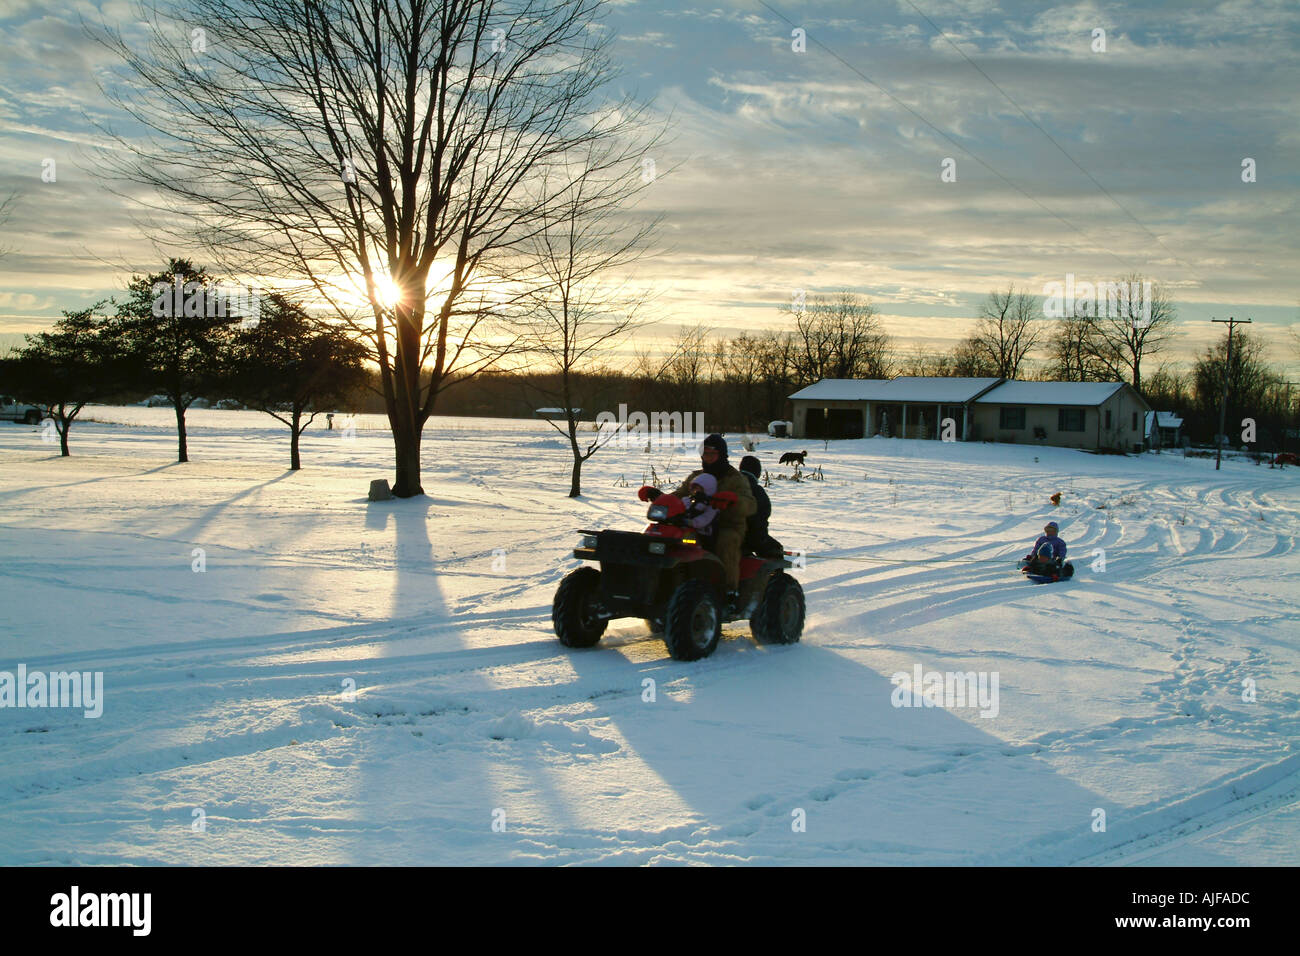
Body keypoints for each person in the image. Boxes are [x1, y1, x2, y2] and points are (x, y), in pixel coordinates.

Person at [641, 433, 755, 608]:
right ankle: (655, 583)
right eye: (705, 454)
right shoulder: (696, 477)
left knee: (726, 543)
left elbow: (750, 505)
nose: (707, 458)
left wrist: (733, 500)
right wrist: (658, 497)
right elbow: (679, 497)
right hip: (692, 521)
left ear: (722, 456)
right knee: (659, 538)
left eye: (712, 454)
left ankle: (730, 591)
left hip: (727, 525)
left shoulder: (736, 479)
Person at [738, 455, 784, 559]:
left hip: (724, 533)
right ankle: (773, 574)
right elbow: (760, 521)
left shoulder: (730, 483)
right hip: (746, 536)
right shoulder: (757, 492)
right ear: (757, 473)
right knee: (775, 550)